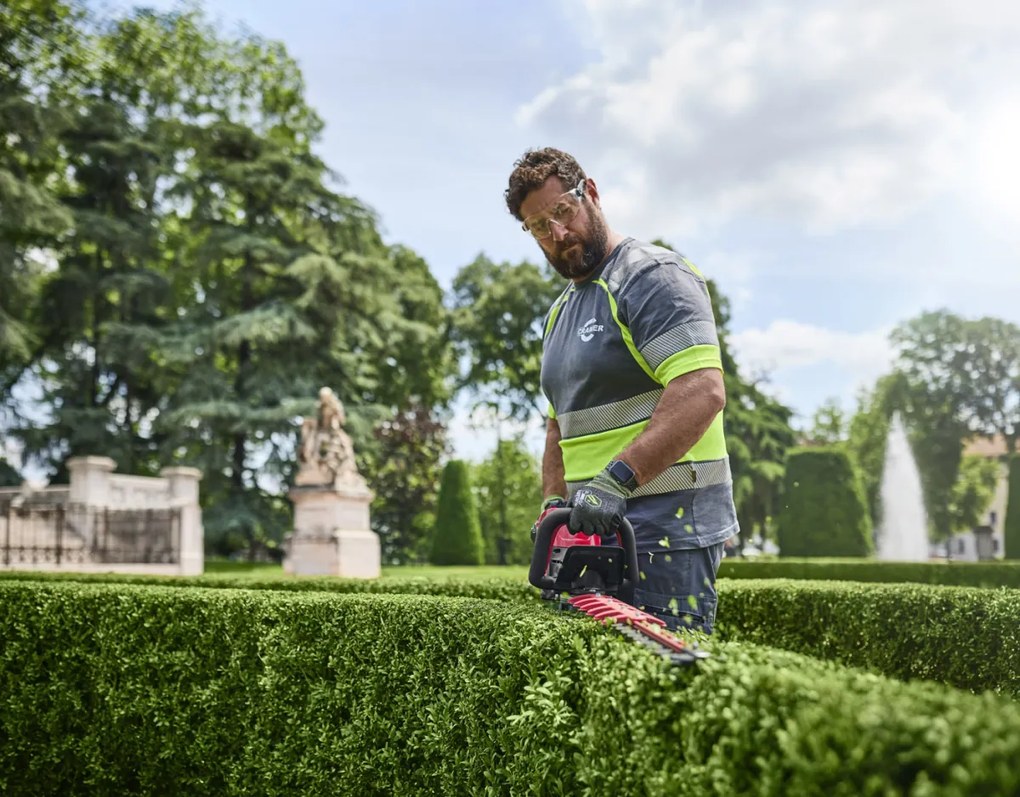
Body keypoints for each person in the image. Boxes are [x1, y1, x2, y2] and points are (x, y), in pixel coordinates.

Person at [505, 147, 738, 633]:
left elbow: (701, 390)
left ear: (590, 192)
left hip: (666, 531)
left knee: (661, 670)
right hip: (590, 533)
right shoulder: (559, 313)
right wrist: (553, 502)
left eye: (562, 211)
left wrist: (614, 482)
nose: (557, 233)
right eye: (539, 226)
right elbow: (558, 425)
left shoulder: (652, 278)